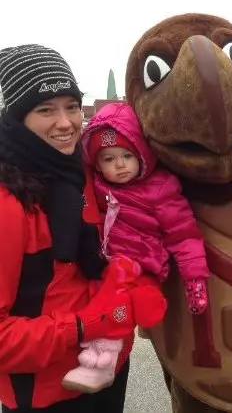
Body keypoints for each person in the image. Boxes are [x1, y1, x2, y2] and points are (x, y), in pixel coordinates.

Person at [0, 44, 164, 413]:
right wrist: (82, 326)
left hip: (108, 370)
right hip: (47, 393)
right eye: (45, 110)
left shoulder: (87, 172)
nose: (66, 122)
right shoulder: (8, 201)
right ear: (16, 118)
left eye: (72, 106)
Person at [65, 102, 210, 392]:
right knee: (100, 297)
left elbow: (184, 235)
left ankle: (102, 364)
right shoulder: (98, 186)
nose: (118, 165)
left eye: (126, 156)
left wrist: (195, 279)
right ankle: (95, 352)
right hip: (109, 263)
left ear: (142, 154)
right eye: (108, 158)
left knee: (116, 301)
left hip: (143, 263)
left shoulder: (160, 189)